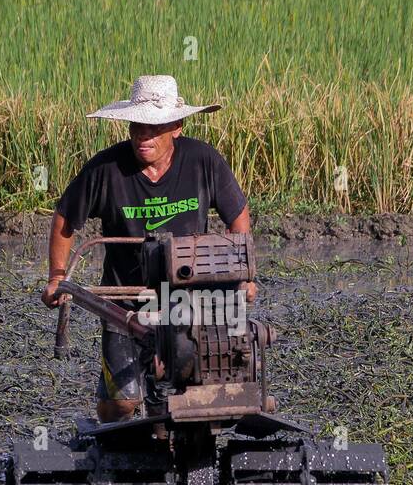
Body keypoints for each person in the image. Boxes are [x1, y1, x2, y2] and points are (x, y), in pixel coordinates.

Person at [42, 74, 255, 423]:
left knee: (196, 399)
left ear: (177, 127)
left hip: (187, 299)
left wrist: (243, 275)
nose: (144, 135)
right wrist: (57, 276)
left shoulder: (203, 161)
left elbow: (238, 217)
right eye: (137, 126)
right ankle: (106, 431)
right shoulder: (106, 169)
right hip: (123, 302)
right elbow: (65, 219)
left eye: (154, 128)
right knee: (123, 403)